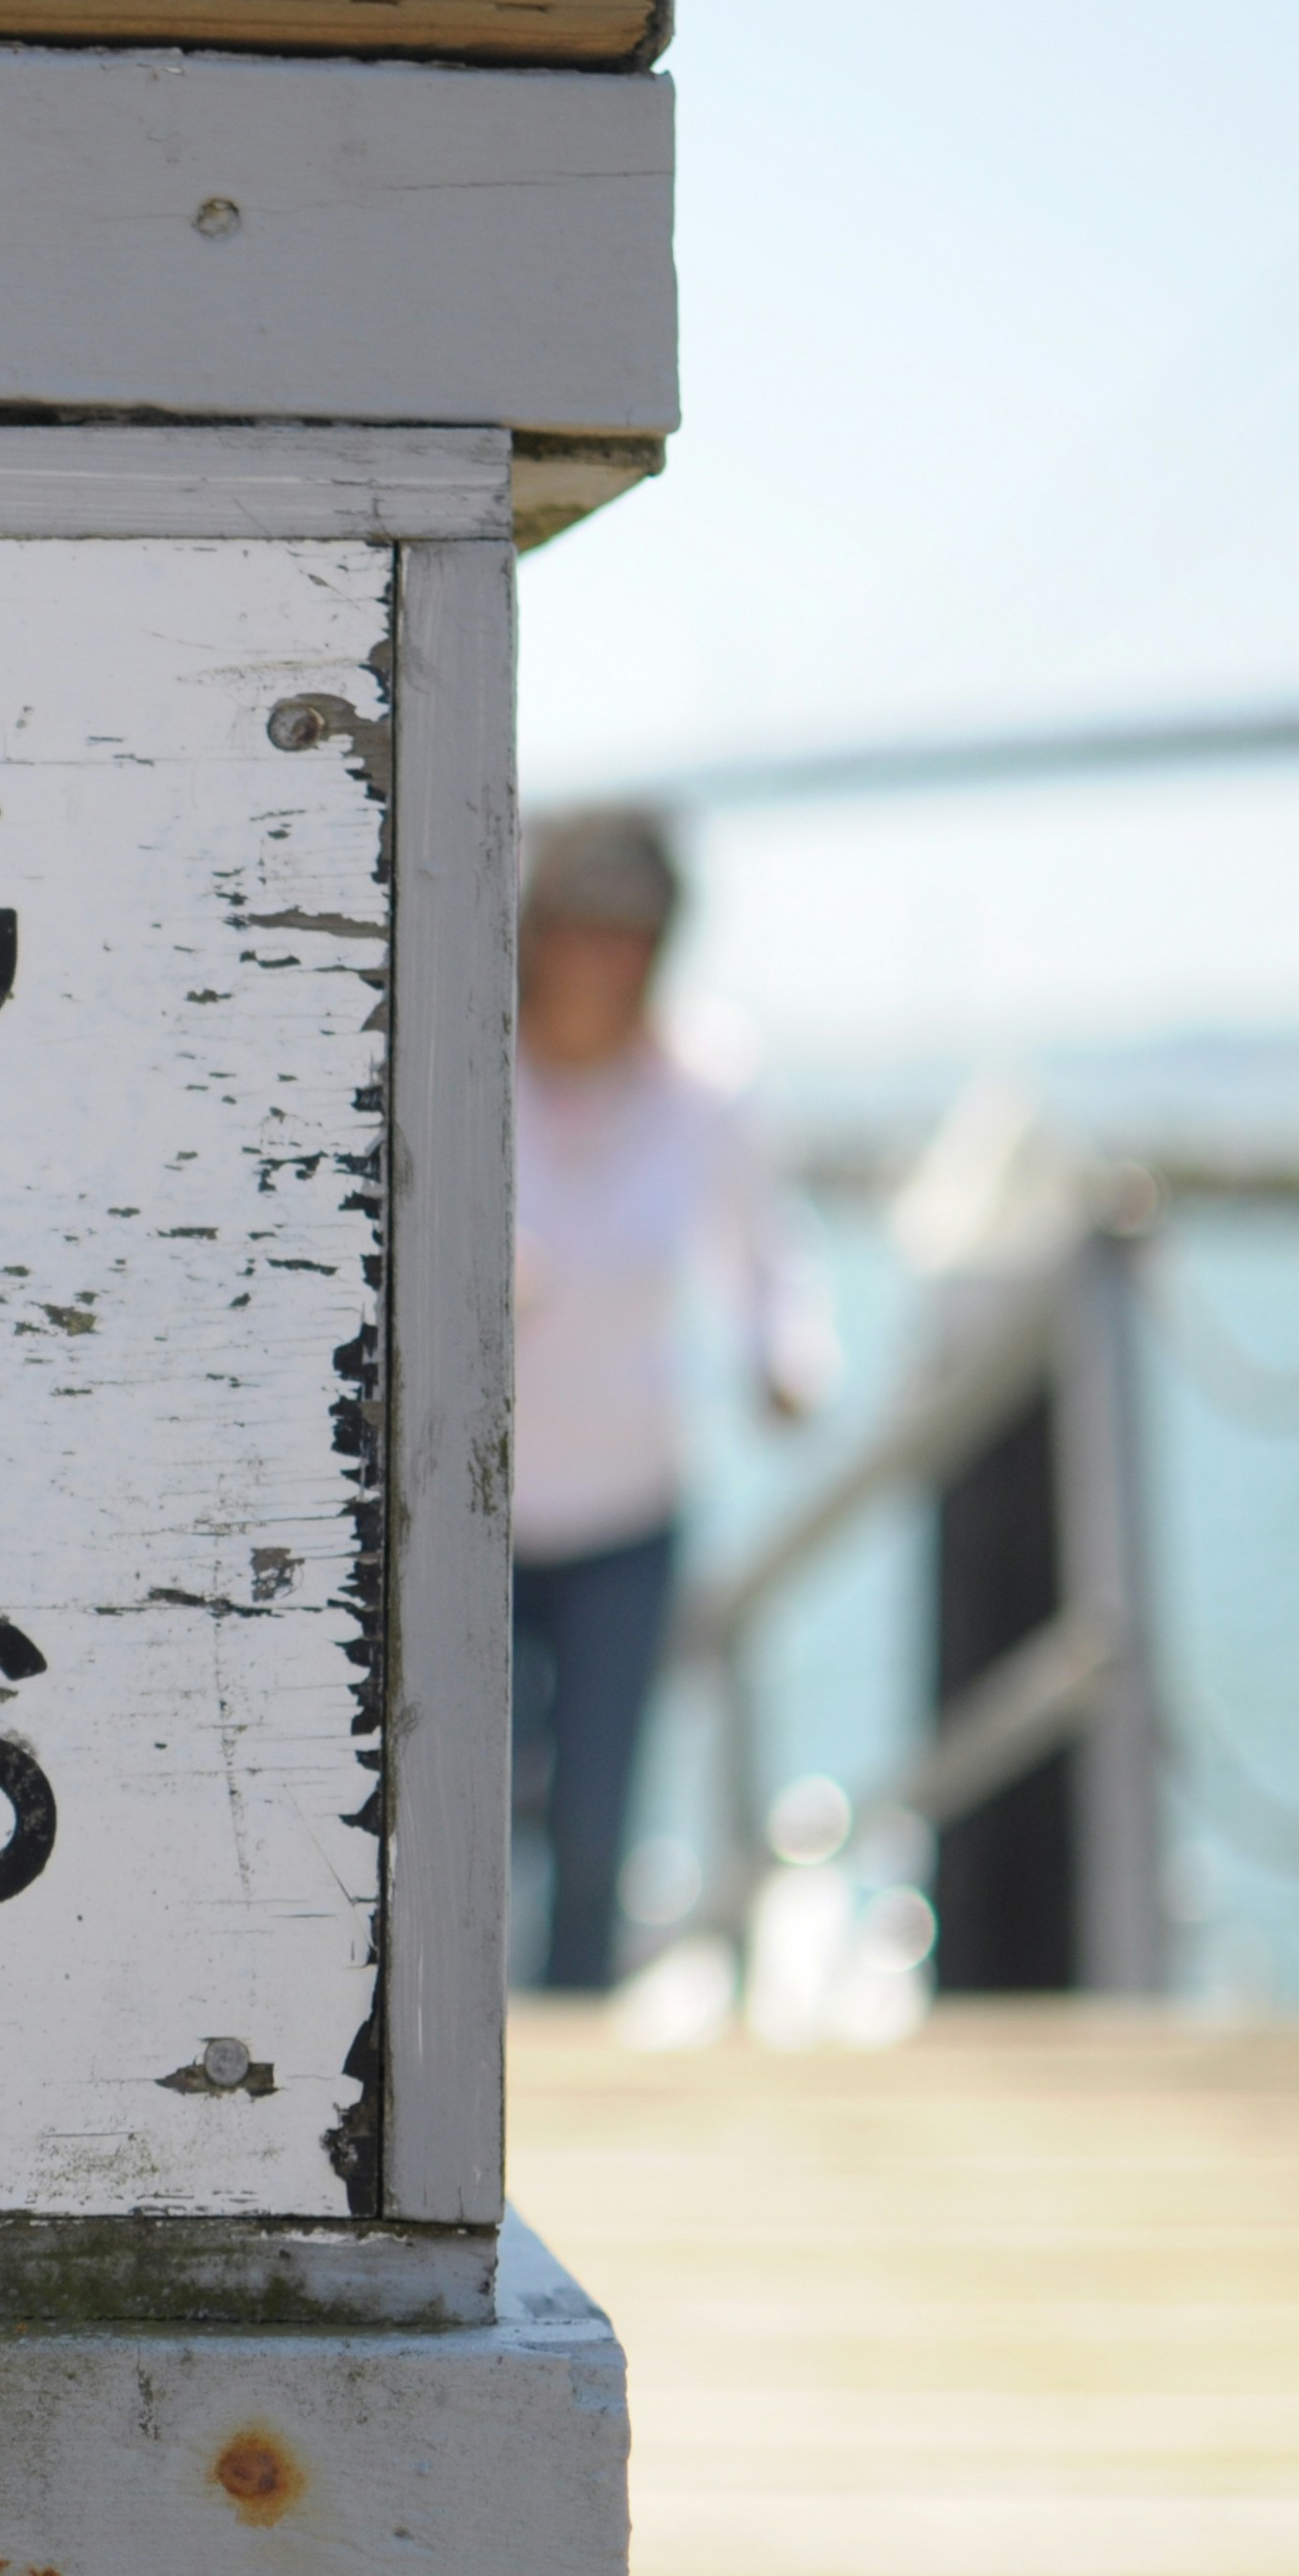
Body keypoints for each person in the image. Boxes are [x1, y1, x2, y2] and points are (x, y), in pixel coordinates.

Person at [512, 810, 832, 1990]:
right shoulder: (462, 1048)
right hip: (473, 1518)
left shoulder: (708, 1081)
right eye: (581, 930)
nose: (601, 960)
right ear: (536, 934)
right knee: (468, 1821)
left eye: (628, 937)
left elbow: (767, 1258)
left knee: (597, 1834)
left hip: (627, 1511)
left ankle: (575, 2090)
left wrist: (786, 1357)